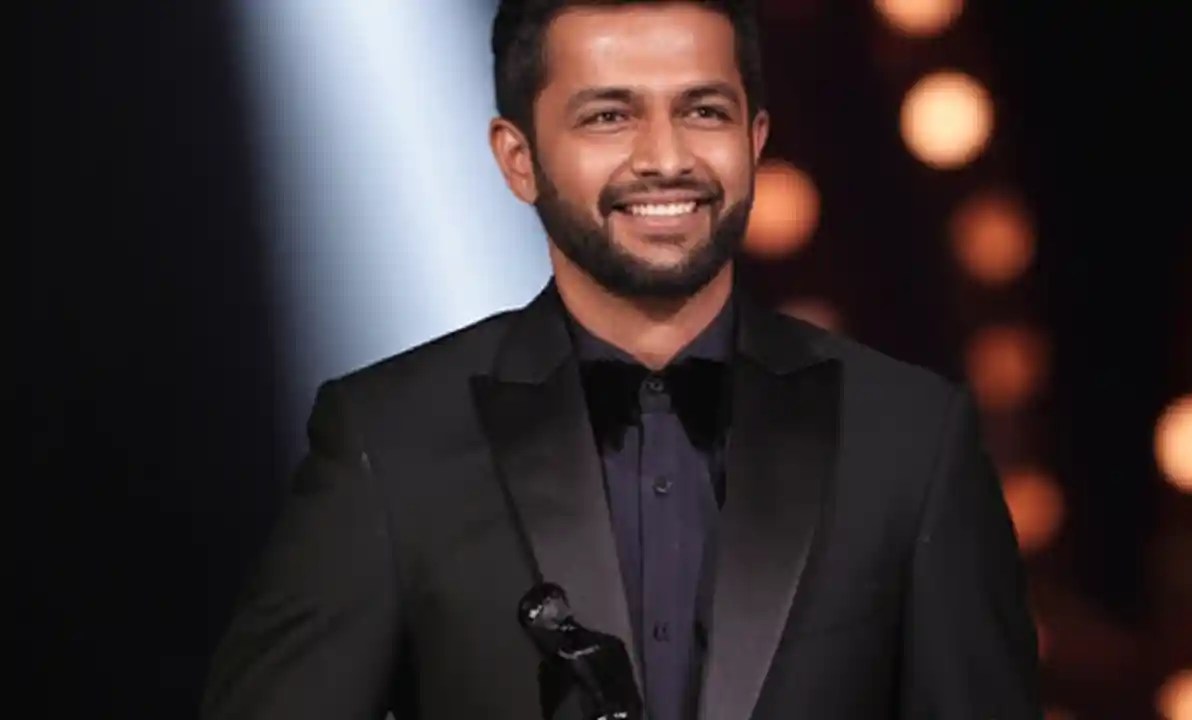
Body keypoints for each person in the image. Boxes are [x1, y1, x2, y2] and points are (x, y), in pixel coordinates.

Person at [201, 1, 1042, 718]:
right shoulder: (389, 438)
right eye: (610, 115)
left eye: (703, 111)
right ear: (517, 158)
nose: (665, 157)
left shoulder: (910, 438)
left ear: (756, 138)